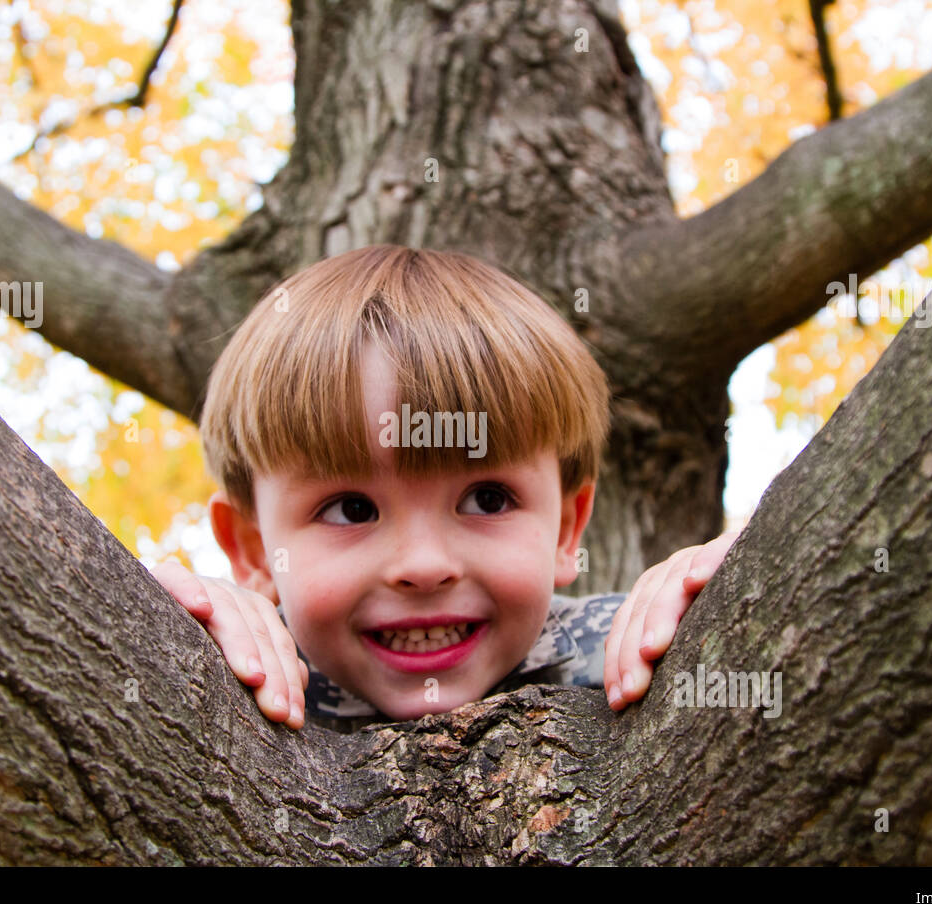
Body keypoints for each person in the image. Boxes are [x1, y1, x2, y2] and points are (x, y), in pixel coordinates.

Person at [152, 245, 738, 731]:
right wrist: (174, 632)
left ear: (565, 528)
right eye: (351, 509)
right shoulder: (243, 676)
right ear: (253, 550)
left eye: (488, 499)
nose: (424, 565)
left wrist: (718, 597)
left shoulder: (626, 653)